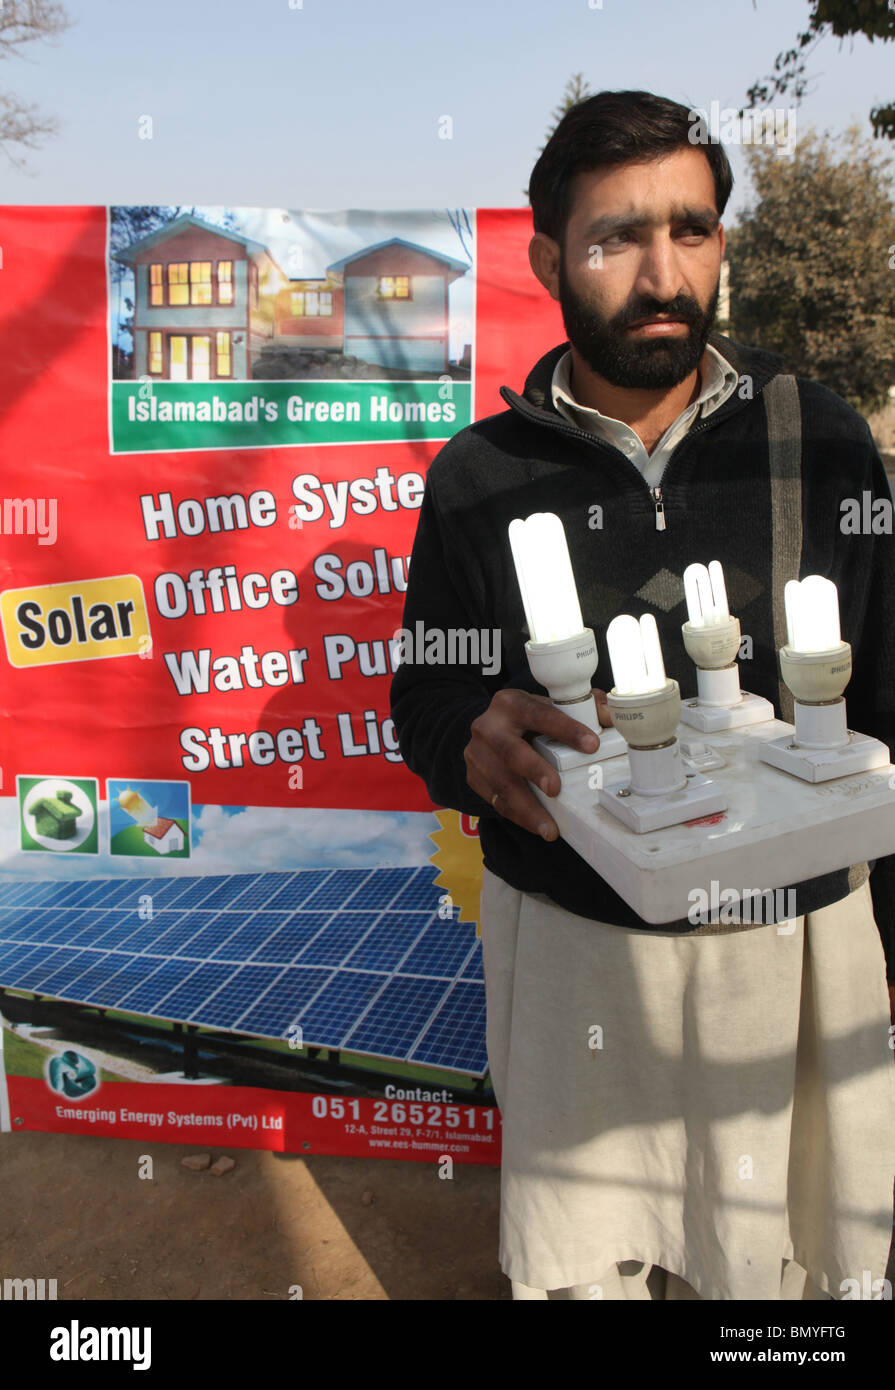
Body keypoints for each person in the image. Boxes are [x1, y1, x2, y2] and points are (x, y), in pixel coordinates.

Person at [389, 89, 895, 1301]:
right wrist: (469, 734)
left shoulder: (816, 441)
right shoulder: (479, 473)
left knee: (788, 1272)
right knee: (590, 1273)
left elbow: (882, 692)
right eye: (618, 238)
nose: (663, 275)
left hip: (795, 944)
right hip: (574, 943)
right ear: (549, 257)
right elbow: (426, 693)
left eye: (693, 230)